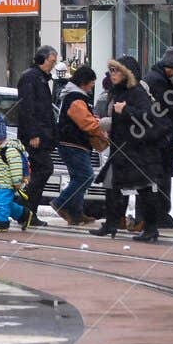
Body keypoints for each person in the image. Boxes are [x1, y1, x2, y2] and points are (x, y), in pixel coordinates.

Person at [92, 55, 165, 243]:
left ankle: (150, 228)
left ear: (127, 73)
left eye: (116, 70)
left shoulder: (137, 92)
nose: (112, 74)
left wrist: (125, 111)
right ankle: (112, 223)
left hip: (137, 150)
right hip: (122, 148)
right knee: (112, 185)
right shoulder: (118, 91)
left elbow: (147, 118)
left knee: (143, 188)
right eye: (111, 70)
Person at [12, 45, 59, 229]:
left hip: (42, 134)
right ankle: (24, 210)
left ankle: (27, 212)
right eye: (51, 61)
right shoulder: (30, 78)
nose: (52, 65)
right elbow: (27, 108)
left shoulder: (40, 79)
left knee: (42, 170)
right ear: (41, 59)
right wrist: (33, 133)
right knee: (44, 169)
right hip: (34, 136)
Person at [53, 65, 105, 226]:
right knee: (86, 176)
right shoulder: (76, 98)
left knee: (78, 177)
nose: (92, 86)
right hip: (73, 143)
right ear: (84, 82)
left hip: (72, 143)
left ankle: (76, 213)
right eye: (91, 82)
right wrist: (102, 127)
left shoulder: (74, 96)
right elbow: (85, 122)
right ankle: (61, 202)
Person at [144, 46, 173, 229]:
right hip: (160, 137)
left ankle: (159, 213)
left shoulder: (156, 78)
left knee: (159, 175)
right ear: (168, 66)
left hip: (158, 135)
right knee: (161, 175)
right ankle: (160, 214)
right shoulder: (159, 81)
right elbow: (170, 111)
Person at [0, 113, 27, 233]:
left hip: (8, 183)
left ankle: (1, 223)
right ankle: (24, 215)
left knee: (1, 203)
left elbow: (16, 167)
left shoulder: (10, 150)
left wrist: (17, 181)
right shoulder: (0, 150)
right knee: (5, 203)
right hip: (2, 181)